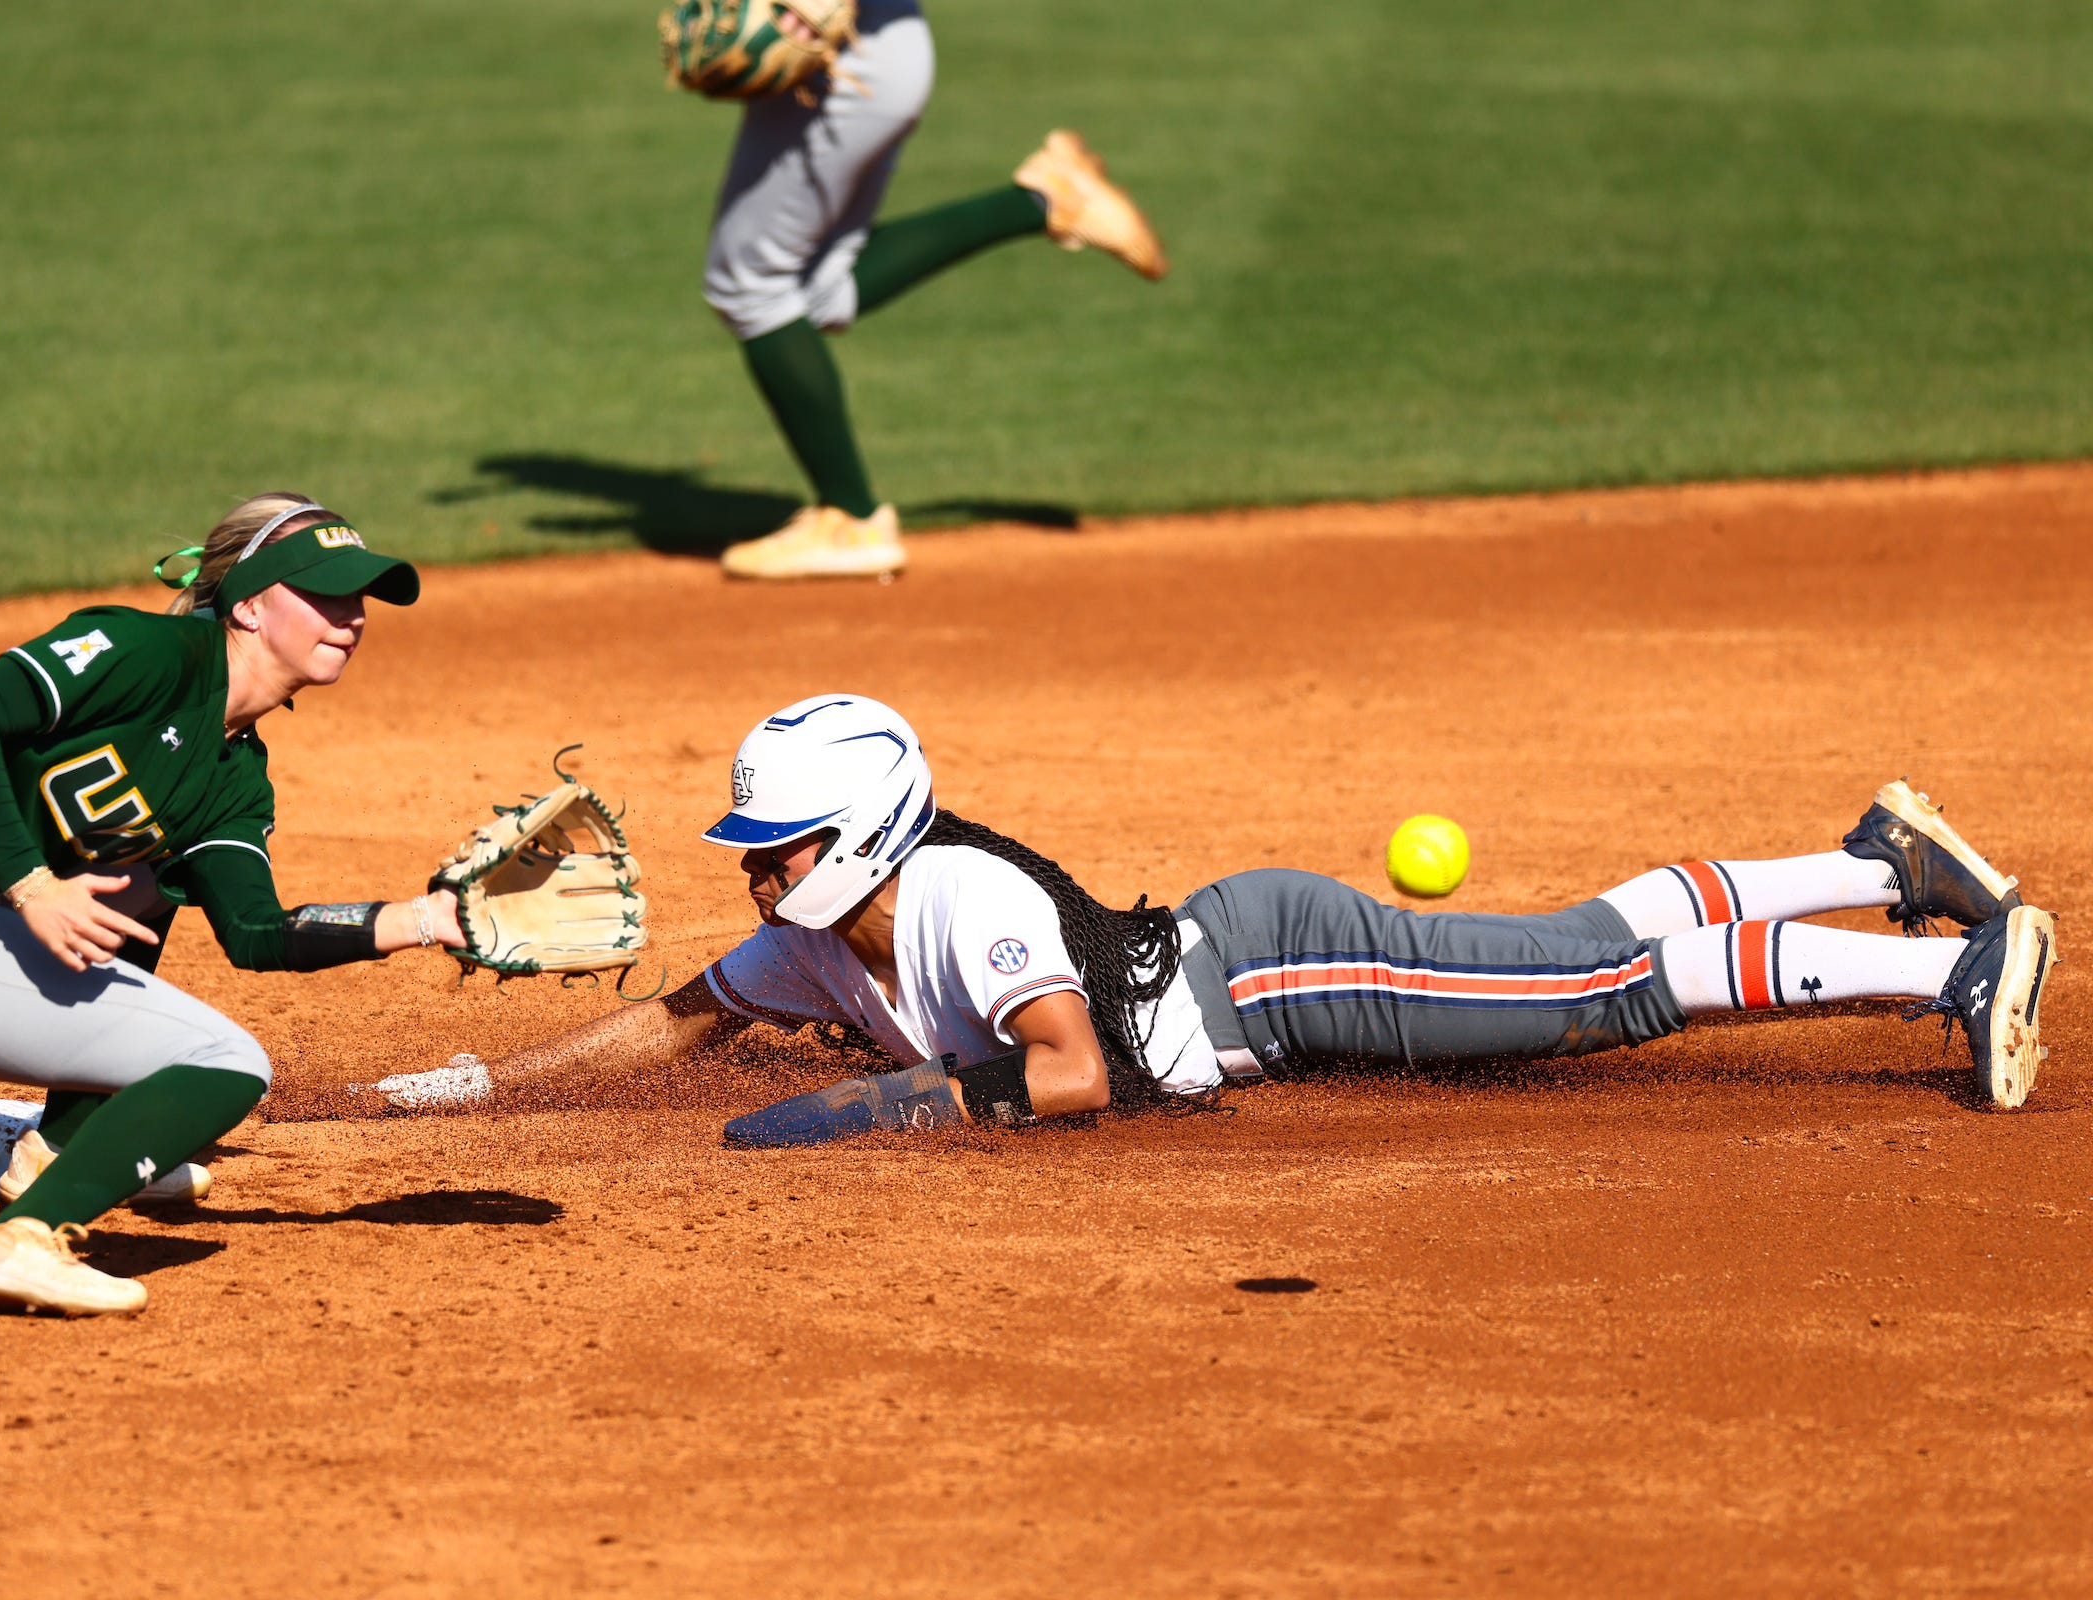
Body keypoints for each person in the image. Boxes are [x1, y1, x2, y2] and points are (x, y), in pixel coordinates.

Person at [467, 695, 2058, 1140]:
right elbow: (678, 1020)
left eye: (783, 847)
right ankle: (1882, 866)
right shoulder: (819, 939)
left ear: (867, 831)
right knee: (1581, 941)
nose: (758, 874)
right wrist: (467, 1085)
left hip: (1277, 972)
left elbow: (1073, 1071)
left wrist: (886, 1106)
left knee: (1596, 982)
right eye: (755, 850)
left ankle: (1947, 977)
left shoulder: (955, 894)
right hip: (1257, 972)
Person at [0, 494, 474, 1316]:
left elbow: (257, 932)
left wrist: (427, 920)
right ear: (249, 607)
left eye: (358, 597)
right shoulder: (148, 651)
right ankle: (18, 1239)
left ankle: (61, 1149)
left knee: (145, 886)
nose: (352, 616)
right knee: (227, 1062)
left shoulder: (235, 778)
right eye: (325, 594)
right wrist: (31, 885)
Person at [699, 0, 1168, 581]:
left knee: (751, 286)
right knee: (813, 291)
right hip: (869, 55)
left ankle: (850, 519)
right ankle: (1047, 200)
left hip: (841, 59)